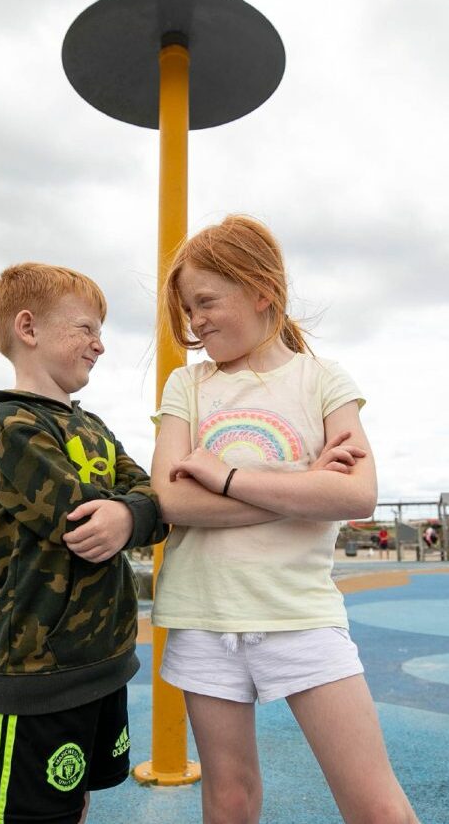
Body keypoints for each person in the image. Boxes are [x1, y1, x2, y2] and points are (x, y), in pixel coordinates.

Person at [150, 215, 418, 824]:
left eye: (206, 302)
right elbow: (172, 501)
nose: (196, 322)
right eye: (189, 309)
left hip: (300, 614)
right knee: (230, 800)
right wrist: (305, 480)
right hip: (202, 616)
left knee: (378, 808)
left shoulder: (322, 380)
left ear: (261, 289)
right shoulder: (187, 386)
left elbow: (356, 496)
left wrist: (226, 477)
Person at [0, 262, 167, 824]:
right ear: (28, 328)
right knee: (29, 815)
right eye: (86, 329)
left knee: (75, 801)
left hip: (103, 659)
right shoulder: (7, 423)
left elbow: (152, 493)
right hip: (35, 670)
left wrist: (129, 512)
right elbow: (77, 516)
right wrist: (132, 511)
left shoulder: (93, 426)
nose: (100, 345)